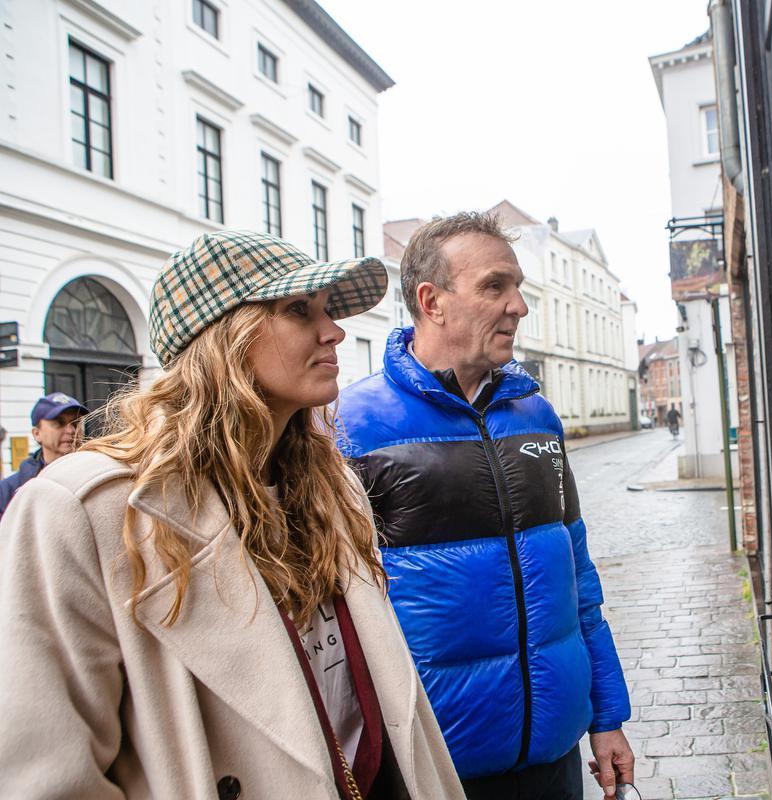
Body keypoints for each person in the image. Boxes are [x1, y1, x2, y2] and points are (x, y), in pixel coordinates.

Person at [0, 231, 464, 799]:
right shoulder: (82, 509)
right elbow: (47, 775)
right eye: (300, 310)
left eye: (327, 310)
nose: (335, 331)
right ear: (225, 336)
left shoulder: (334, 487)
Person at [337, 212, 634, 800]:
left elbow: (578, 579)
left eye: (517, 287)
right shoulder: (350, 425)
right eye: (495, 286)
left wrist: (607, 715)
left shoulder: (537, 417)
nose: (518, 306)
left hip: (554, 758)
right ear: (432, 301)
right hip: (435, 767)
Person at [0, 392, 87, 517]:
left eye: (76, 423)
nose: (71, 430)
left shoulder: (96, 474)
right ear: (37, 434)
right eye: (59, 423)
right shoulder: (9, 490)